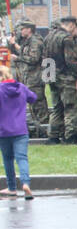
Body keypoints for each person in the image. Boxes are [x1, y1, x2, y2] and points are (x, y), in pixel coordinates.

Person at [45, 16, 77, 144]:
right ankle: (71, 135)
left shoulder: (49, 36)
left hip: (51, 75)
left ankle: (53, 135)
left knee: (57, 107)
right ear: (72, 25)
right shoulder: (66, 38)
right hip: (65, 76)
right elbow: (70, 60)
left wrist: (48, 76)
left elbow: (45, 58)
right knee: (71, 107)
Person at [0, 65, 37, 199]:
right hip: (21, 130)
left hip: (3, 131)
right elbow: (33, 98)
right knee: (22, 158)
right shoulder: (21, 87)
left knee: (8, 159)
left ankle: (12, 188)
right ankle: (26, 184)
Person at [10, 22, 49, 137]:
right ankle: (37, 128)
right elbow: (25, 52)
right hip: (28, 77)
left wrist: (18, 58)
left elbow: (34, 59)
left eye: (23, 29)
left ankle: (44, 127)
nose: (21, 32)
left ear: (29, 30)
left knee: (38, 103)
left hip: (35, 77)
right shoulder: (28, 42)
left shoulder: (35, 42)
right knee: (32, 105)